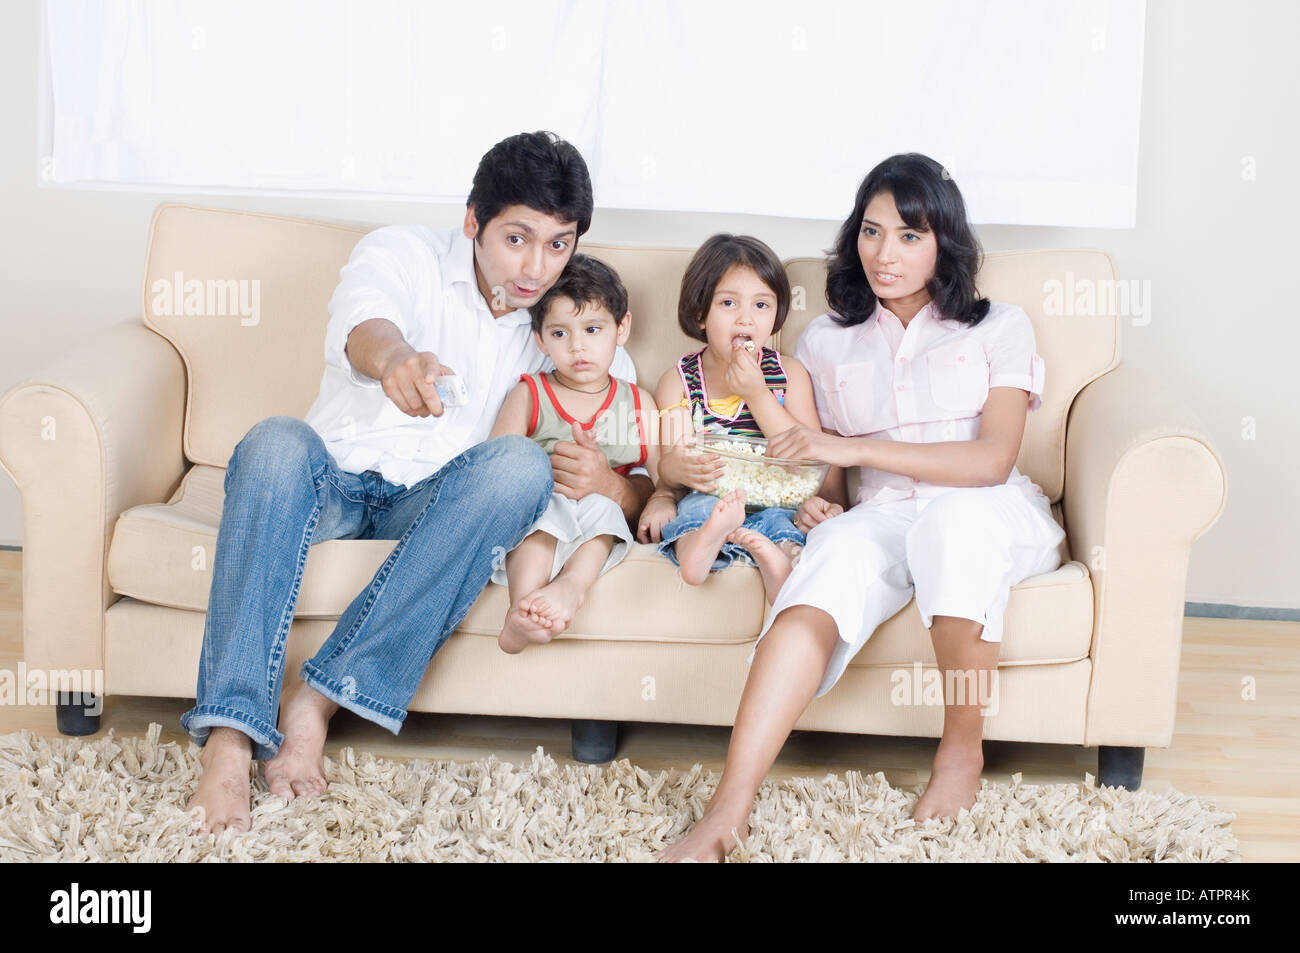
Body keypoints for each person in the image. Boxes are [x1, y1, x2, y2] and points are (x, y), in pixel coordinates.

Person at [182, 131, 652, 835]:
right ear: (473, 221)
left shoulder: (568, 328)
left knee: (520, 466)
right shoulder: (401, 252)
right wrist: (396, 357)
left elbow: (632, 468)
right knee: (275, 440)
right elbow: (362, 325)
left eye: (559, 244)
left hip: (435, 508)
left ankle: (317, 699)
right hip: (333, 479)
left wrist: (612, 488)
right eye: (517, 238)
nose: (535, 266)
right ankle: (229, 736)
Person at [658, 154, 1066, 862]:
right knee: (827, 563)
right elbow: (813, 460)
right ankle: (728, 809)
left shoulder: (1000, 325)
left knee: (951, 522)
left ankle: (961, 749)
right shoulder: (824, 340)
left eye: (910, 235)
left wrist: (853, 450)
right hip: (879, 515)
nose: (885, 252)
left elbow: (991, 459)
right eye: (871, 232)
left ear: (945, 242)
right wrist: (820, 496)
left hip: (987, 506)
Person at [489, 254, 659, 652]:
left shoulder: (638, 402)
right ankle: (523, 609)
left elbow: (663, 482)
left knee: (606, 512)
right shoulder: (529, 394)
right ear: (540, 339)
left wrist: (622, 488)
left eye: (593, 329)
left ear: (622, 329)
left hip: (599, 515)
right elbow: (494, 467)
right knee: (544, 516)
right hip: (539, 512)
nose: (578, 346)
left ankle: (571, 587)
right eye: (560, 333)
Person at [636, 235, 820, 604]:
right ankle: (697, 552)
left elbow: (812, 459)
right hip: (711, 498)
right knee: (693, 513)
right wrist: (674, 477)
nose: (745, 318)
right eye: (728, 302)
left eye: (761, 304)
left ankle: (776, 561)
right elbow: (668, 468)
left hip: (776, 500)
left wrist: (757, 393)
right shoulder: (679, 381)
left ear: (776, 315)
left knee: (785, 527)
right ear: (700, 314)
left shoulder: (790, 375)